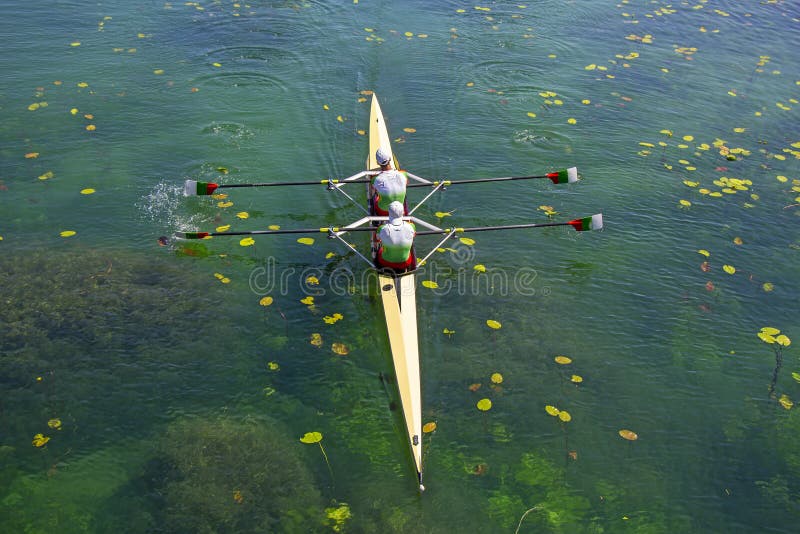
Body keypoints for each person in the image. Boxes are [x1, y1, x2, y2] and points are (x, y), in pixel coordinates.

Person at [375, 201, 416, 271]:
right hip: (406, 263)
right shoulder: (411, 226)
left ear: (389, 213)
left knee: (380, 245)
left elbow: (377, 240)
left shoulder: (382, 228)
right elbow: (414, 236)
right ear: (403, 212)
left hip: (385, 263)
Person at [371, 147, 408, 216]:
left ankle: (374, 215)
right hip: (400, 209)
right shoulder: (403, 174)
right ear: (390, 159)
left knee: (375, 194)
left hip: (383, 211)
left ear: (377, 163)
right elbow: (406, 184)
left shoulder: (375, 179)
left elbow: (374, 189)